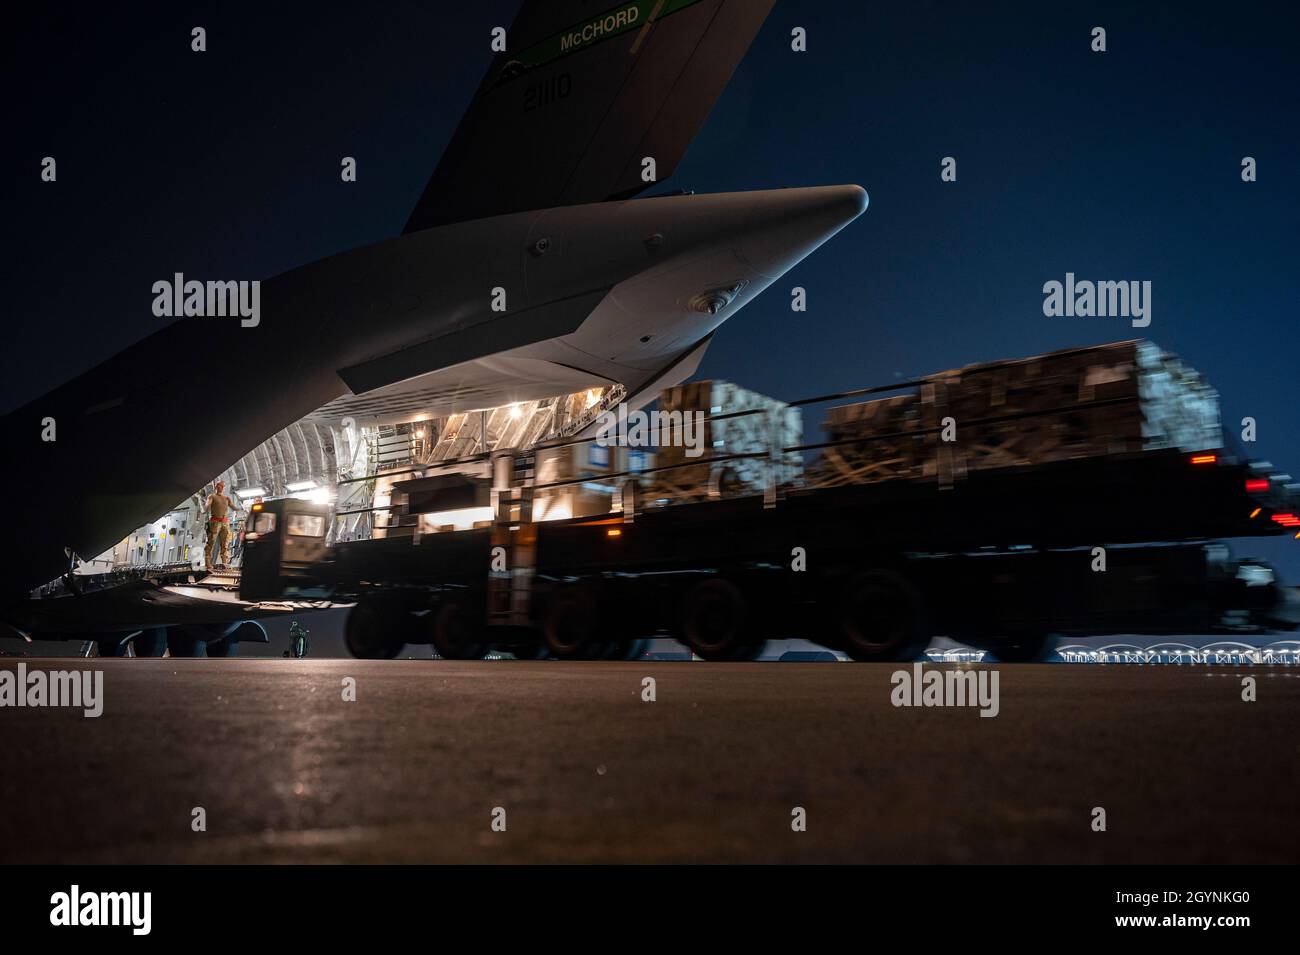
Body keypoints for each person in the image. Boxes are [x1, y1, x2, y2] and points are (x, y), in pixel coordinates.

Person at [205, 480, 241, 569]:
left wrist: (242, 507)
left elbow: (234, 507)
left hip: (225, 522)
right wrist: (206, 506)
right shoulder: (212, 496)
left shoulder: (227, 498)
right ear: (216, 486)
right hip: (214, 521)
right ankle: (207, 562)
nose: (221, 487)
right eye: (219, 485)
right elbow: (207, 506)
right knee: (211, 542)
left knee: (225, 542)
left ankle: (225, 562)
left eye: (222, 486)